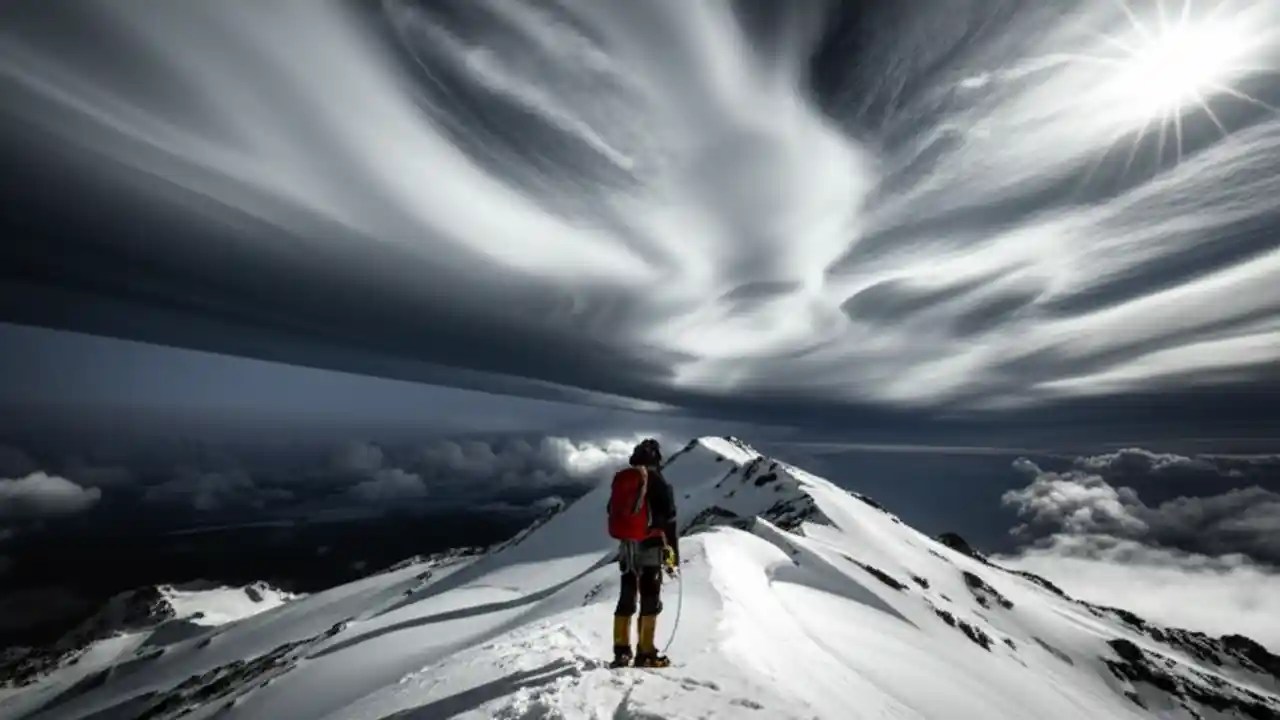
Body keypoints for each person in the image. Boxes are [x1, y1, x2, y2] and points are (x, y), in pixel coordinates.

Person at [612, 438, 678, 668]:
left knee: (626, 596)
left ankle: (621, 651)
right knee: (650, 598)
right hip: (651, 546)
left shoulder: (624, 480)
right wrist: (673, 555)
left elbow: (612, 510)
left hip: (626, 546)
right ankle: (646, 652)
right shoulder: (659, 482)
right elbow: (670, 520)